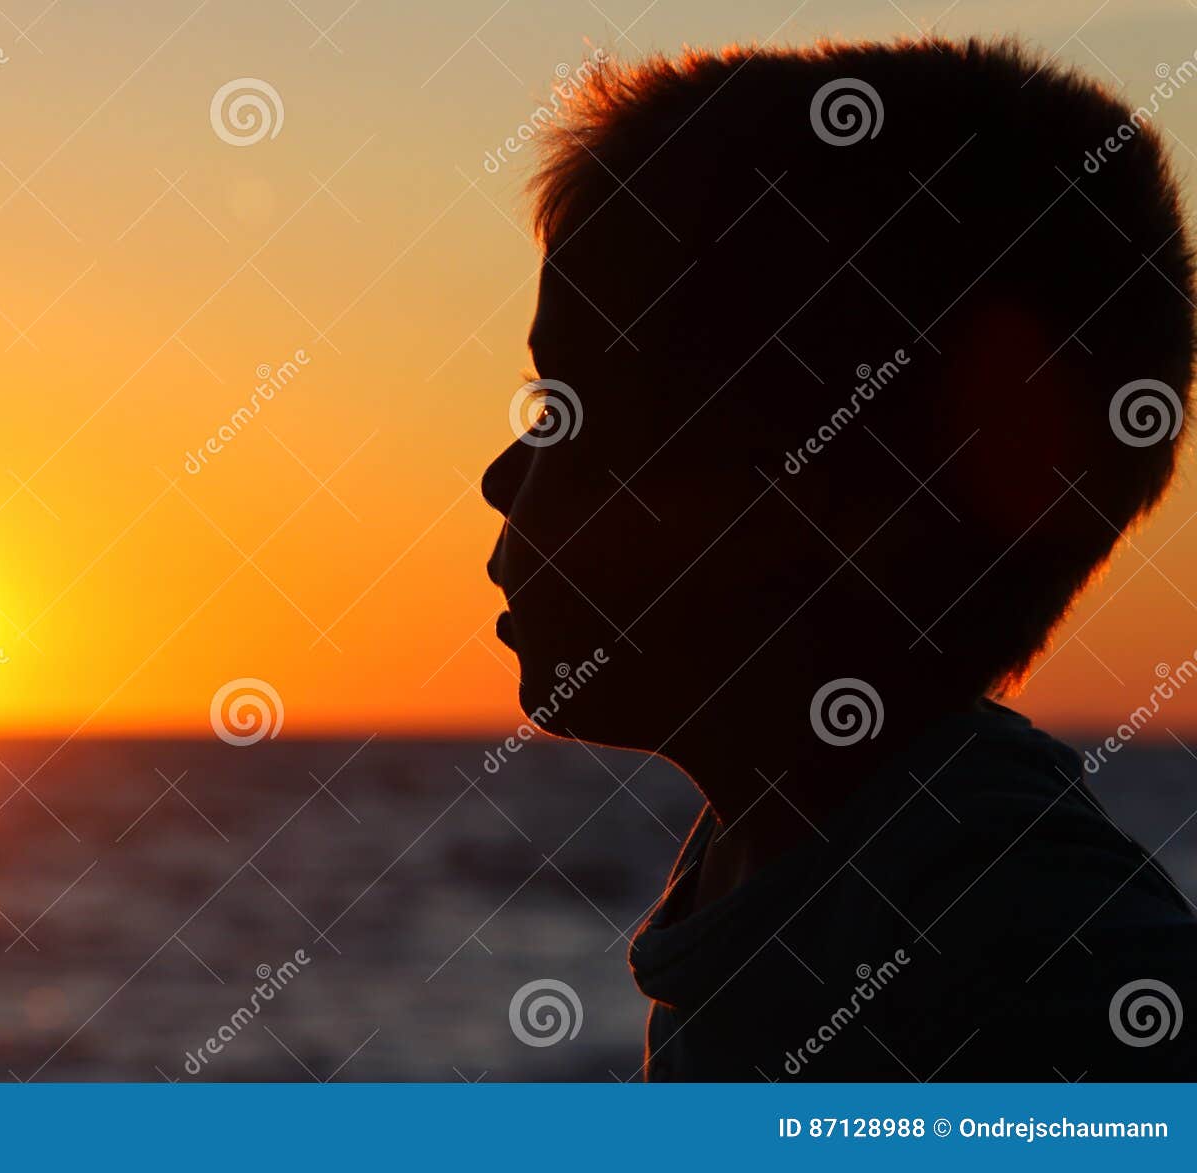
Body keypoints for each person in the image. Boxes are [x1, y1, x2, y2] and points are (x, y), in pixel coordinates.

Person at [481, 37, 1197, 1080]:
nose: (503, 477)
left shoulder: (1028, 968)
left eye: (569, 409)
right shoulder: (788, 883)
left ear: (834, 496)